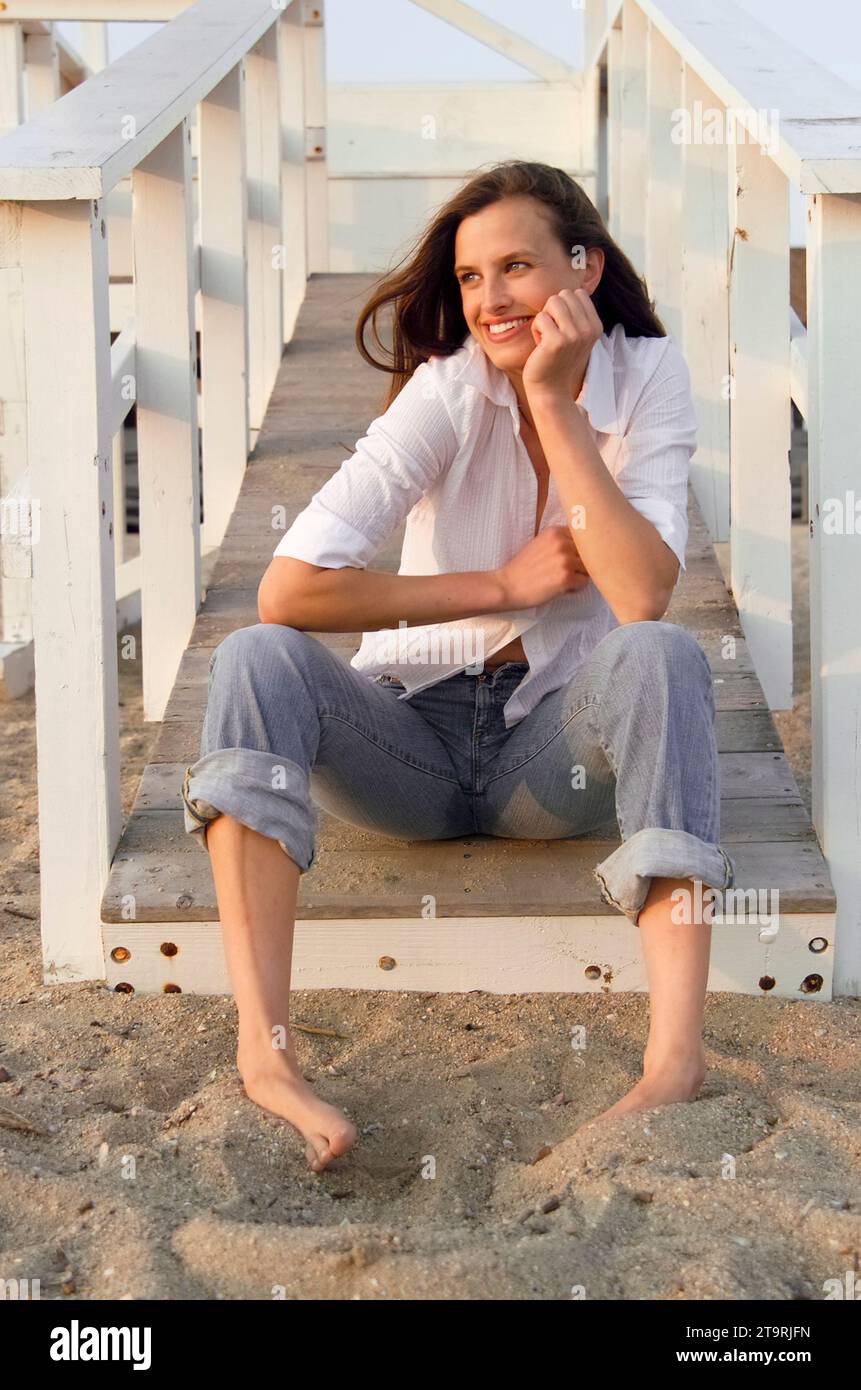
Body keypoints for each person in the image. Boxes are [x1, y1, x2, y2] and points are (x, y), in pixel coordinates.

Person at [181, 160, 735, 1173]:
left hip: (551, 752)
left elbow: (642, 590)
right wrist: (498, 584)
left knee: (661, 655)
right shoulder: (445, 390)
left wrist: (558, 408)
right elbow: (291, 590)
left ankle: (674, 1058)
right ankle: (267, 1057)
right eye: (473, 277)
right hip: (410, 748)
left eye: (515, 267)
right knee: (256, 659)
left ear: (586, 268)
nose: (488, 299)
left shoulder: (647, 376)